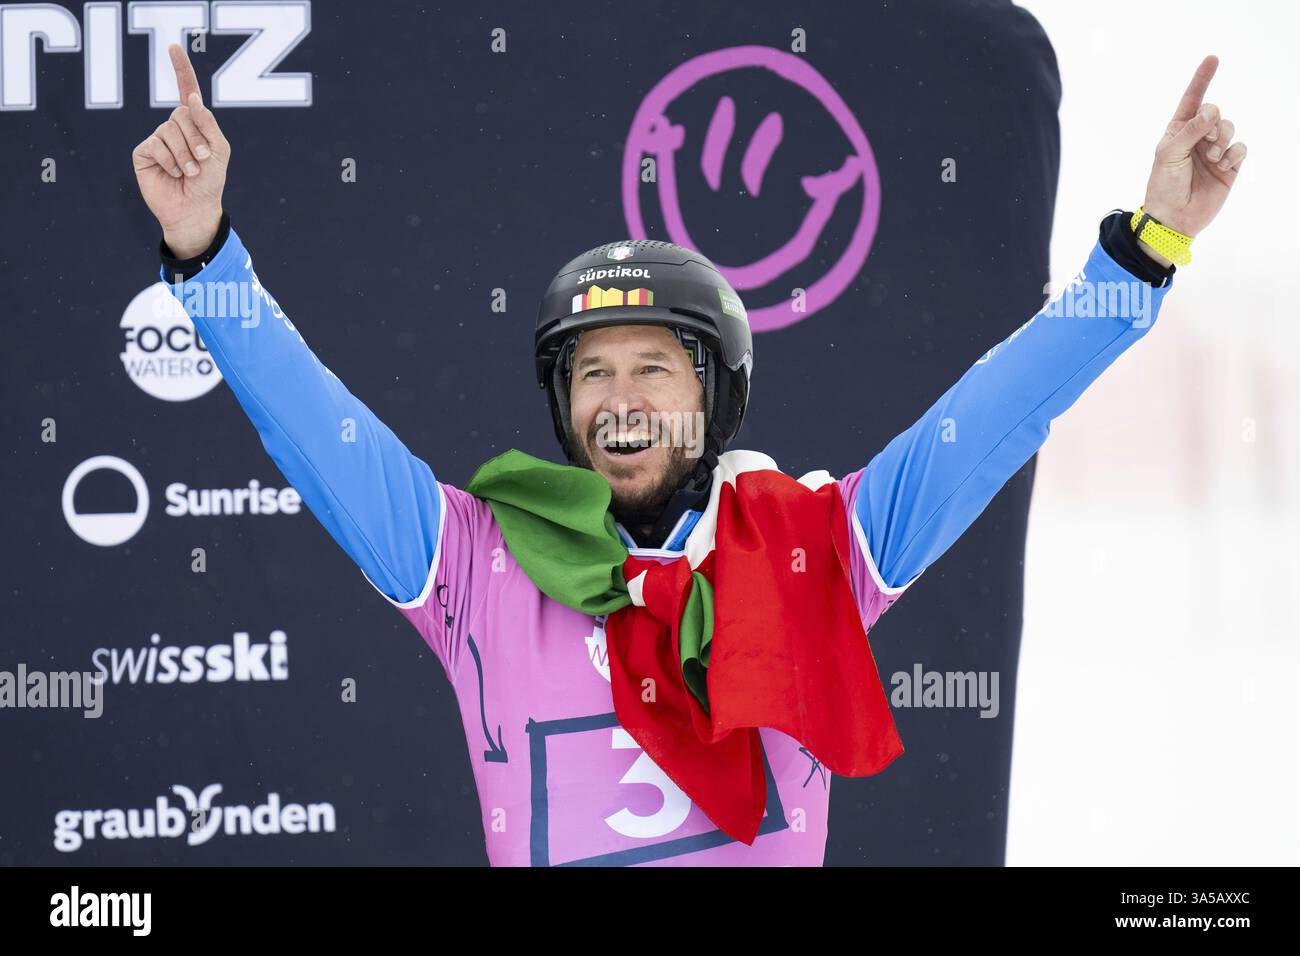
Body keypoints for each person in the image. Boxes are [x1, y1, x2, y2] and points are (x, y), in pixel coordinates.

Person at [133, 43, 1245, 866]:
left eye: (653, 368)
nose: (619, 398)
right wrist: (203, 249)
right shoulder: (474, 566)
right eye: (590, 371)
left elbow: (1000, 408)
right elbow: (312, 423)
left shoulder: (822, 547)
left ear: (713, 398)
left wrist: (1144, 249)